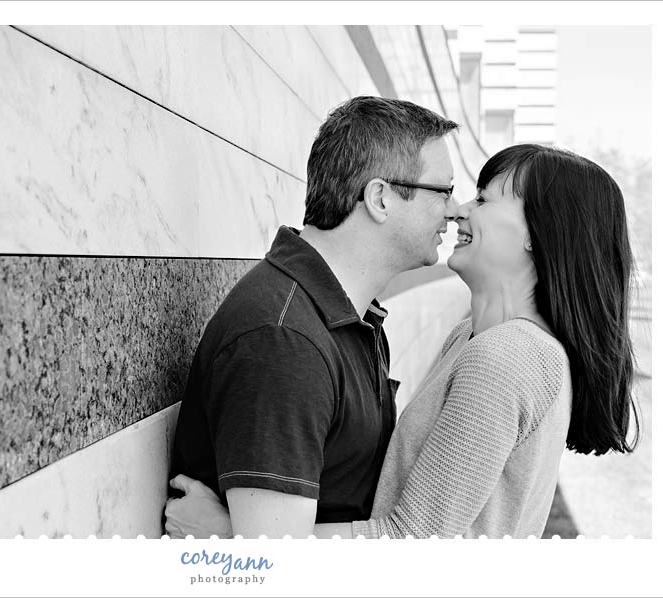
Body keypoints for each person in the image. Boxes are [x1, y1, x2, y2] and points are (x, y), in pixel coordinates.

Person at [166, 143, 639, 539]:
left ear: (538, 234)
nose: (460, 211)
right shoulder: (477, 338)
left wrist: (229, 536)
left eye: (484, 198)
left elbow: (409, 544)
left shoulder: (507, 356)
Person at [167, 96, 460, 539]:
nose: (453, 210)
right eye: (442, 192)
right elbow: (274, 568)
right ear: (380, 198)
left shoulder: (348, 317)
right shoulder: (284, 341)